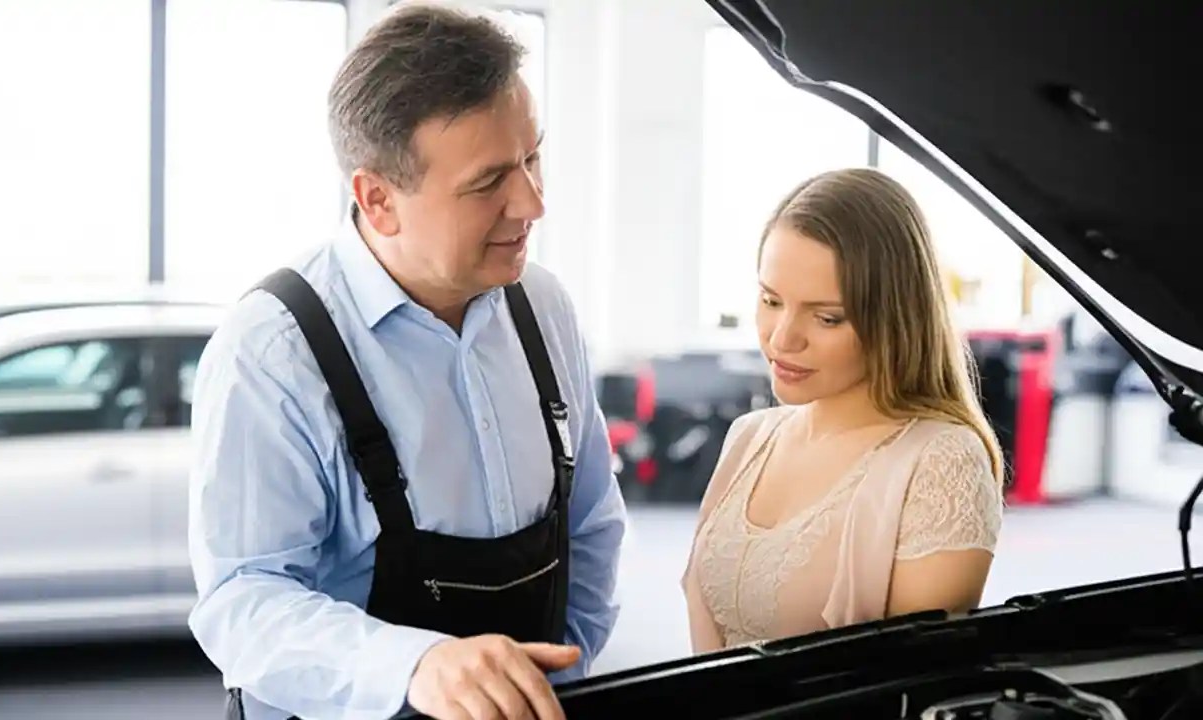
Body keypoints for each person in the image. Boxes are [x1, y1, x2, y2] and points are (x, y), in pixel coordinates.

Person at [186, 4, 627, 719]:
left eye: (533, 157)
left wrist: (550, 692)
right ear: (377, 198)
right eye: (489, 183)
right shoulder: (271, 354)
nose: (533, 204)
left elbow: (591, 526)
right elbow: (243, 600)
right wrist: (415, 664)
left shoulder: (544, 309)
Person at [681, 167, 1005, 652]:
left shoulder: (940, 463)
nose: (782, 337)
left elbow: (910, 680)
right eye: (771, 300)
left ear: (893, 317)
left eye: (827, 317)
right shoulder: (749, 438)